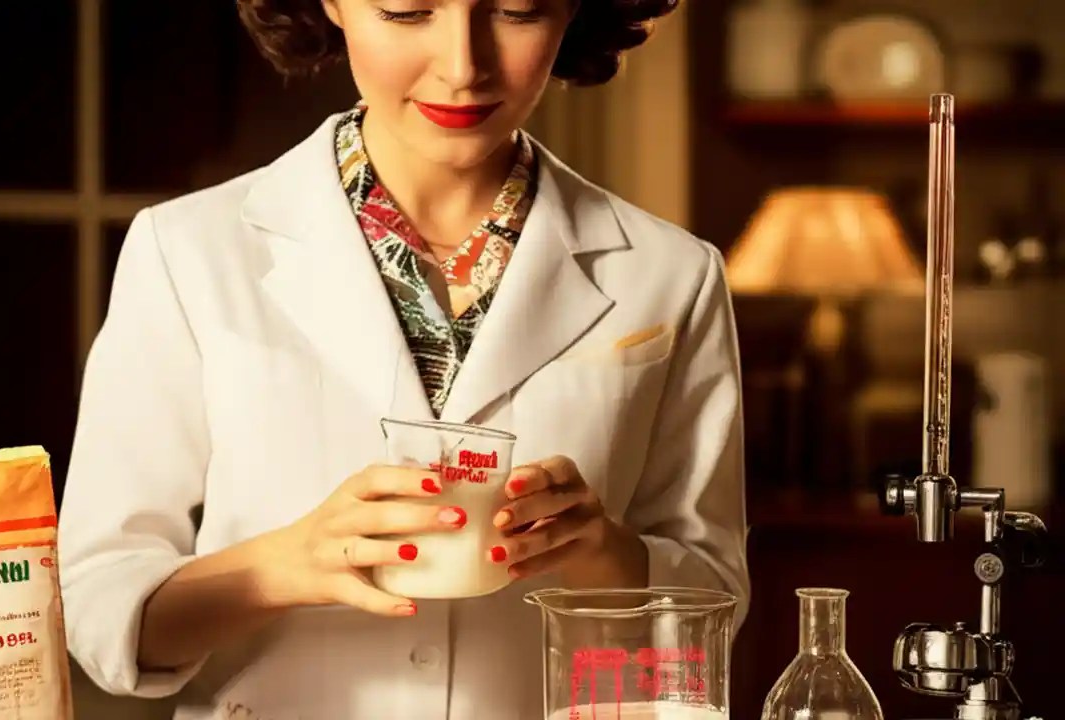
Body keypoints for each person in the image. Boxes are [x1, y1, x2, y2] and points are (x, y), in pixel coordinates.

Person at [58, 0, 748, 717]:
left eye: (516, 11)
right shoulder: (188, 253)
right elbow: (101, 611)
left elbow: (713, 620)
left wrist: (599, 550)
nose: (462, 66)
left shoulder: (672, 274)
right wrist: (284, 565)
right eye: (406, 10)